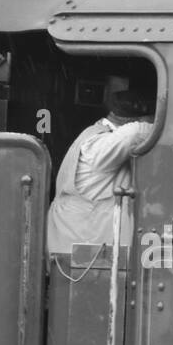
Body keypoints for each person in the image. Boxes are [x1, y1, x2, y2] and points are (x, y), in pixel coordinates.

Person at [46, 89, 154, 256]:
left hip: (84, 250)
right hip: (82, 253)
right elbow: (134, 134)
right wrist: (160, 125)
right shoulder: (98, 144)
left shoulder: (95, 135)